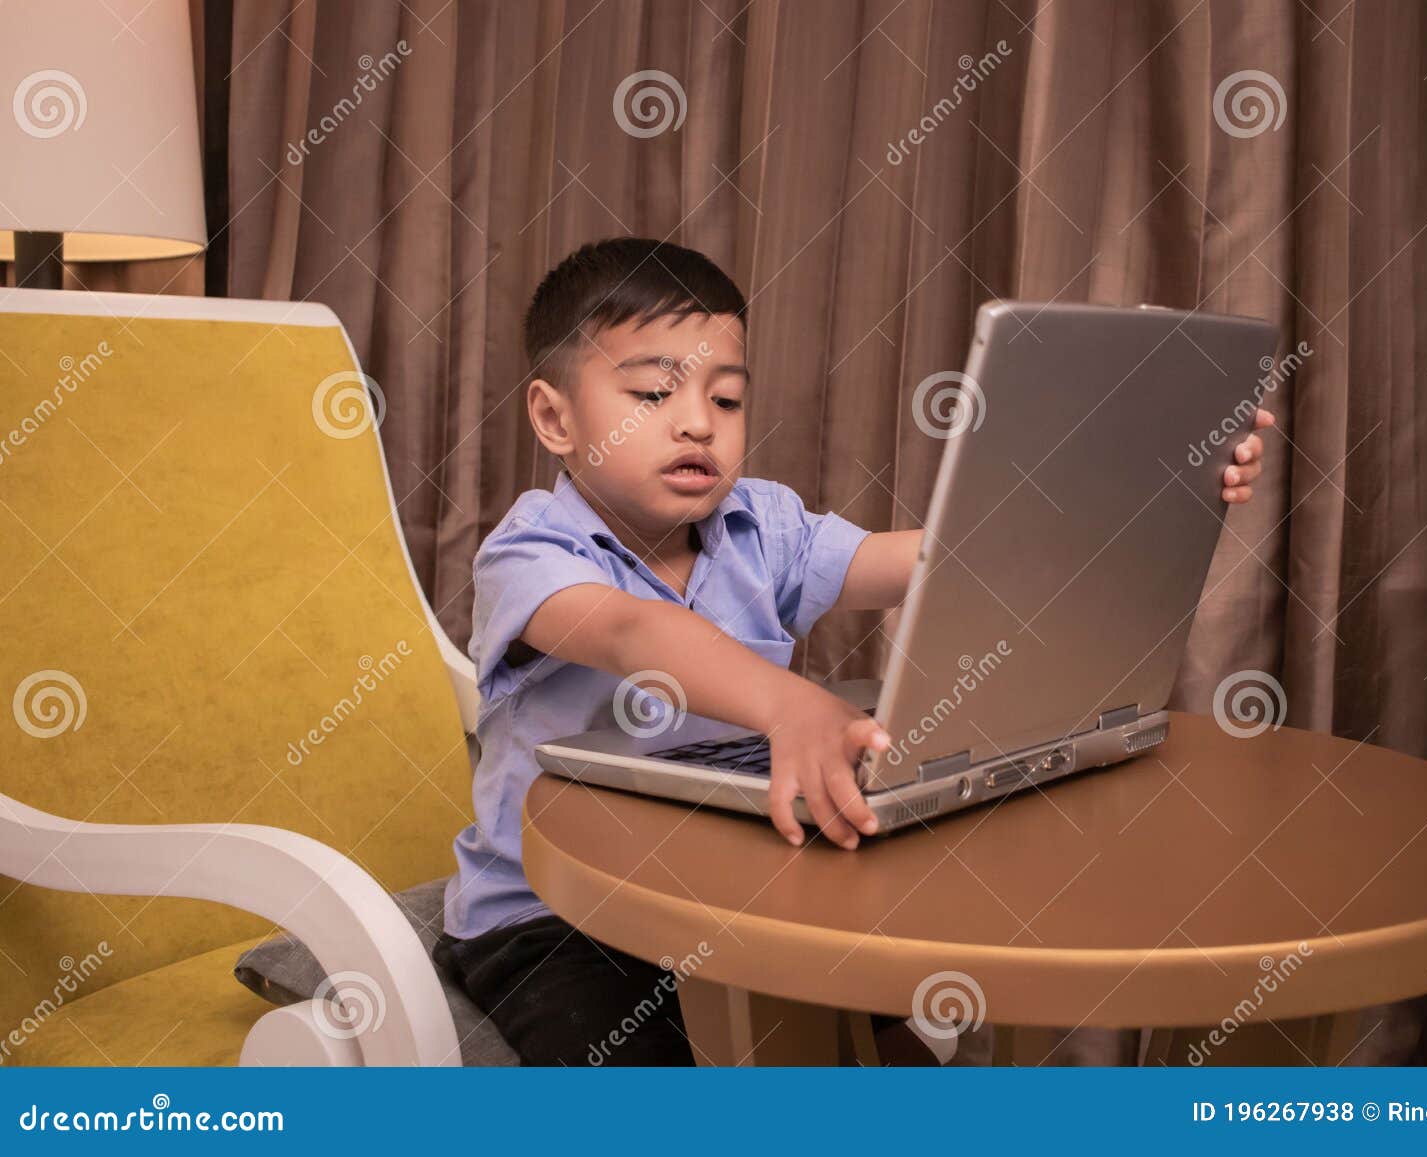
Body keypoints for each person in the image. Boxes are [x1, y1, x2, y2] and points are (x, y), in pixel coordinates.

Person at [432, 236, 1276, 1065]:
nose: (698, 422)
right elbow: (631, 631)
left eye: (726, 400)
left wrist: (1128, 487)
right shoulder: (531, 552)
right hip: (556, 916)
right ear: (554, 417)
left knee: (884, 1051)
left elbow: (937, 557)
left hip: (731, 888)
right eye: (655, 393)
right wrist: (787, 701)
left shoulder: (761, 524)